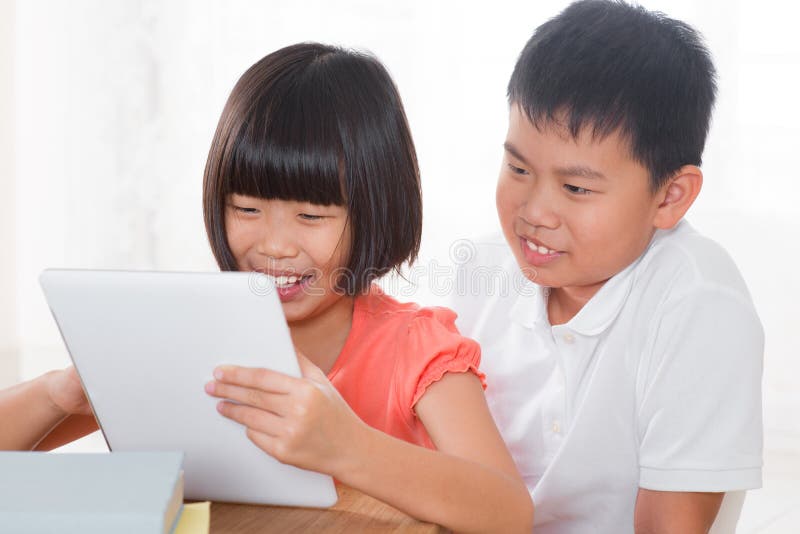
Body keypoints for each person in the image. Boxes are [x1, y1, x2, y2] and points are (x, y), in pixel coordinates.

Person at [3, 43, 533, 532]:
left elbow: (509, 512)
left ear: (377, 210)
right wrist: (58, 394)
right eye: (247, 209)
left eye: (311, 215)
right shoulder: (190, 338)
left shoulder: (415, 349)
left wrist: (349, 448)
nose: (274, 246)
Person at [450, 1, 763, 532]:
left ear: (670, 196)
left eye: (576, 188)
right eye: (518, 168)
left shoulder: (699, 303)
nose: (535, 212)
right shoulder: (478, 269)